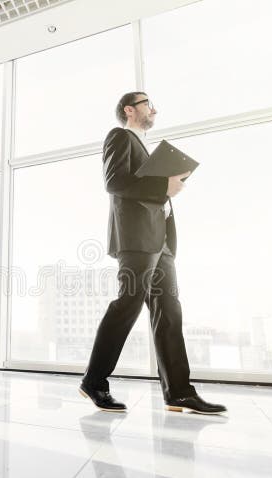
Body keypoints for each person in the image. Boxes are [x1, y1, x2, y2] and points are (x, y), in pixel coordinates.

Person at [79, 92, 226, 415]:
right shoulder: (119, 136)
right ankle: (94, 381)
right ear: (129, 109)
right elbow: (115, 182)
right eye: (148, 104)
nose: (155, 109)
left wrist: (168, 186)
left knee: (169, 313)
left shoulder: (143, 147)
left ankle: (179, 392)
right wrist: (163, 188)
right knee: (127, 305)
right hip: (136, 238)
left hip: (160, 241)